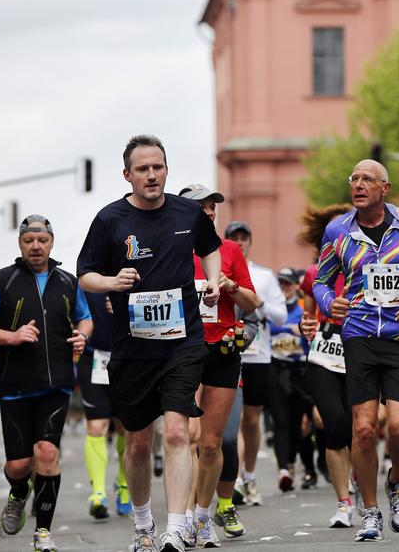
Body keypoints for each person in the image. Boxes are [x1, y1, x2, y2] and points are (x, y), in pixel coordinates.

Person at [77, 134, 223, 552]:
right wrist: (111, 281)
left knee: (177, 432)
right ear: (128, 175)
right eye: (143, 169)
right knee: (138, 443)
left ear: (166, 169)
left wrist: (212, 283)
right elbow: (85, 273)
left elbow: (210, 248)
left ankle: (176, 527)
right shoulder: (110, 220)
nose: (152, 175)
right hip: (132, 347)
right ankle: (143, 526)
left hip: (183, 341)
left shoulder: (188, 212)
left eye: (158, 167)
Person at [312, 159, 399, 542]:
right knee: (365, 428)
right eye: (353, 177)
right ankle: (370, 511)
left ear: (384, 189)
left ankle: (398, 481)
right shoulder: (338, 230)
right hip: (357, 336)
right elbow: (321, 281)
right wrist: (329, 303)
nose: (358, 184)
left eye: (367, 179)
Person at [0, 214, 91, 552]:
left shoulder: (68, 281)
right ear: (20, 245)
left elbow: (85, 317)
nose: (36, 246)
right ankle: (19, 491)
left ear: (52, 242)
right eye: (28, 241)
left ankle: (43, 534)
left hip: (57, 384)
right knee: (19, 465)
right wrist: (11, 336)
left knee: (47, 452)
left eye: (42, 240)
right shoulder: (2, 281)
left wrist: (82, 336)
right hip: (15, 385)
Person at [176, 184, 258, 545]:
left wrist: (229, 287)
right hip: (182, 349)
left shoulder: (229, 251)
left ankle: (203, 516)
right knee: (188, 437)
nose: (209, 212)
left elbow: (252, 302)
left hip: (223, 349)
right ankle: (182, 517)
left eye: (212, 207)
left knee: (211, 444)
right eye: (201, 207)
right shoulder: (171, 248)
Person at [297, 204, 357, 528]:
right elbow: (307, 318)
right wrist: (305, 327)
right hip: (324, 351)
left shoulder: (368, 267)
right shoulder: (313, 273)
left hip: (361, 351)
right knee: (333, 424)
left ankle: (361, 482)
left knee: (360, 427)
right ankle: (344, 501)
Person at [223, 220, 288, 509]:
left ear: (250, 241)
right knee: (231, 421)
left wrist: (258, 303)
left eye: (243, 237)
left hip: (258, 354)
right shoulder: (218, 272)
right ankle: (234, 479)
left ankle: (249, 476)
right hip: (228, 353)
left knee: (252, 419)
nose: (239, 242)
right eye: (233, 237)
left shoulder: (263, 275)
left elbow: (281, 317)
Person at [78, 291, 132, 520]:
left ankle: (123, 484)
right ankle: (98, 493)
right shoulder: (83, 278)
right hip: (93, 358)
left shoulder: (132, 269)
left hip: (129, 356)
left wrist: (126, 306)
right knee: (96, 426)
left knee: (126, 427)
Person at [268, 268, 316, 493]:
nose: (283, 288)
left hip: (300, 372)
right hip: (276, 371)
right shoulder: (271, 311)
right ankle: (283, 470)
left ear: (296, 287)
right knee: (280, 421)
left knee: (300, 424)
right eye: (280, 284)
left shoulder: (301, 310)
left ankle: (297, 464)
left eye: (287, 284)